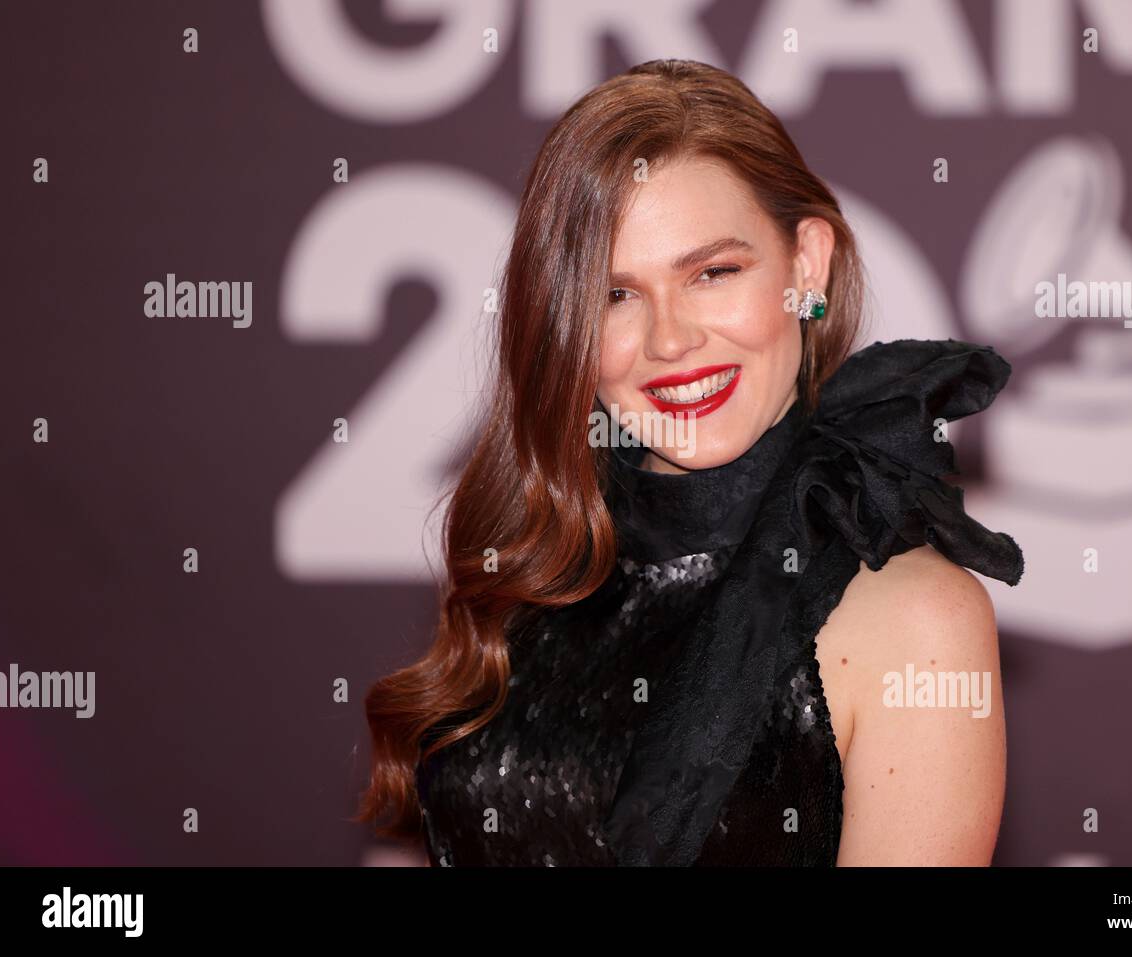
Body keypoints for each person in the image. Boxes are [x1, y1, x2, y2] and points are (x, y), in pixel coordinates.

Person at [357, 58, 1024, 866]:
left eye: (714, 272)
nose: (671, 340)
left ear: (806, 265)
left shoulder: (919, 618)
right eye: (615, 295)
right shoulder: (536, 567)